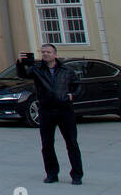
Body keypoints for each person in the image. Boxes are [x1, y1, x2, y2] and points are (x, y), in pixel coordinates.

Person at [17, 44, 84, 185]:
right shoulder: (37, 69)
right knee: (47, 144)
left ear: (55, 54)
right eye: (43, 52)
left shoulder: (67, 70)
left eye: (48, 52)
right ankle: (52, 173)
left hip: (65, 110)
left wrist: (72, 96)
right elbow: (23, 74)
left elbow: (78, 85)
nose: (45, 54)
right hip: (46, 110)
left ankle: (77, 175)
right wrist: (20, 63)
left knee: (72, 143)